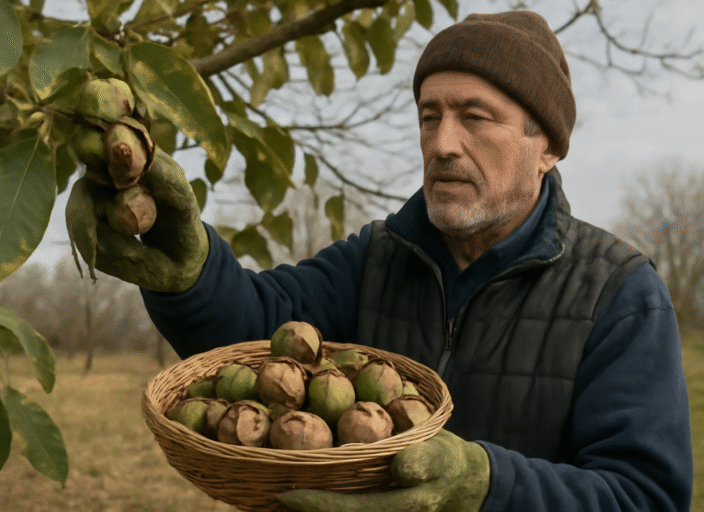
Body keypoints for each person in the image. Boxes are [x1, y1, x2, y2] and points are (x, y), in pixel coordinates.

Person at [67, 10, 693, 512]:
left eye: (476, 118)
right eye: (430, 116)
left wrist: (486, 485)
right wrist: (192, 274)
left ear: (548, 147)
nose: (443, 144)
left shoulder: (619, 292)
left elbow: (643, 495)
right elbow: (262, 330)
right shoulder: (377, 255)